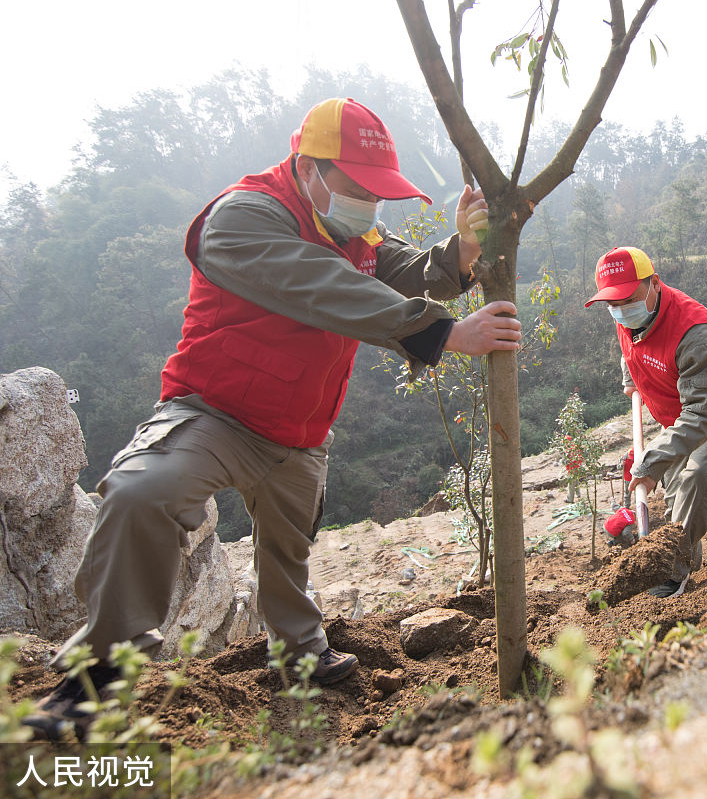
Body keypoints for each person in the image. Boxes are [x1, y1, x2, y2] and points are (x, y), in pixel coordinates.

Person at [23, 98, 521, 740]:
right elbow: (319, 285)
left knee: (287, 553)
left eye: (377, 196)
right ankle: (95, 678)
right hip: (215, 413)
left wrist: (464, 249)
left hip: (300, 428)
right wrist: (444, 334)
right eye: (357, 189)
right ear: (309, 168)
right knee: (141, 492)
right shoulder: (244, 217)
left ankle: (298, 652)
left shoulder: (354, 231)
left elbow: (409, 272)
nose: (369, 206)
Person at [585, 246, 707, 598]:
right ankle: (686, 556)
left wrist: (653, 458)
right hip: (678, 417)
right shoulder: (630, 317)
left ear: (655, 284)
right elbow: (630, 350)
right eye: (611, 304)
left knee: (697, 476)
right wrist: (630, 377)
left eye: (627, 299)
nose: (619, 310)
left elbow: (703, 416)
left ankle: (671, 572)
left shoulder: (696, 333)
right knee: (678, 500)